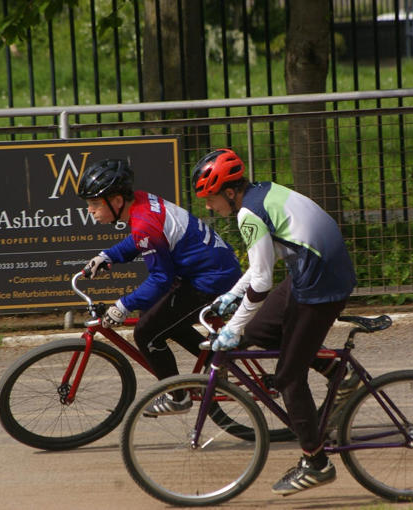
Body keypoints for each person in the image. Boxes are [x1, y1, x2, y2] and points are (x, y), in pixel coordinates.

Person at [191, 148, 357, 496]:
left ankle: (316, 463)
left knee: (287, 376)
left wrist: (232, 328)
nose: (208, 207)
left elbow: (263, 282)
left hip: (321, 284)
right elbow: (259, 266)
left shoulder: (248, 214)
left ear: (230, 192)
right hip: (311, 272)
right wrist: (232, 297)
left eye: (210, 198)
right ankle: (336, 372)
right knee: (259, 330)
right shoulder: (260, 192)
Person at [77, 158, 242, 414]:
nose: (90, 210)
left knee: (146, 332)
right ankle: (215, 365)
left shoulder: (145, 223)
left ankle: (177, 398)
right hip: (207, 271)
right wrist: (108, 255)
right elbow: (139, 241)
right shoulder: (141, 202)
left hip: (211, 280)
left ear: (118, 201)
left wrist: (123, 305)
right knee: (158, 319)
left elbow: (160, 279)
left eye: (95, 203)